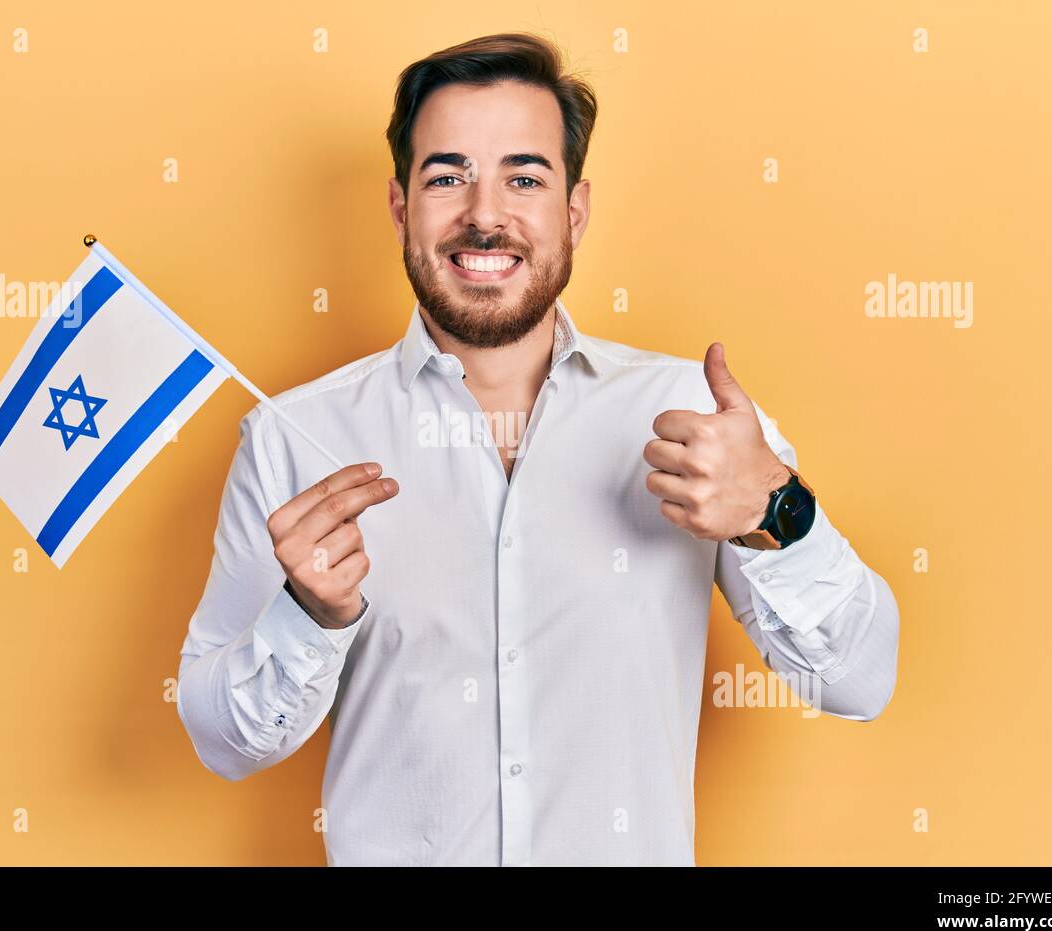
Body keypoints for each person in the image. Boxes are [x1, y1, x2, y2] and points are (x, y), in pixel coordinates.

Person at [176, 32, 899, 866]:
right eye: (447, 177)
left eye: (524, 178)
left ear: (574, 211)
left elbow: (857, 683)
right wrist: (308, 615)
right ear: (400, 207)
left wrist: (776, 508)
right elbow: (223, 744)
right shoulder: (294, 437)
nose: (485, 215)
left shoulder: (698, 420)